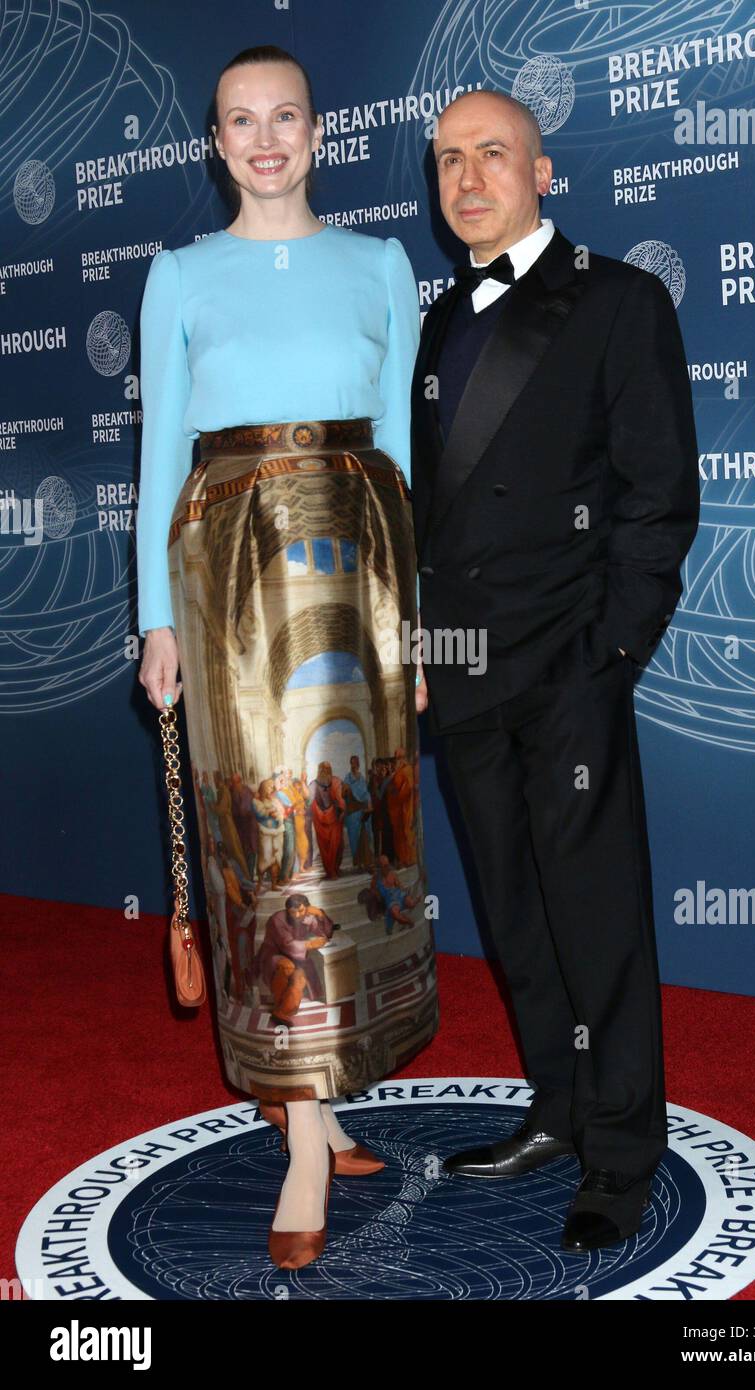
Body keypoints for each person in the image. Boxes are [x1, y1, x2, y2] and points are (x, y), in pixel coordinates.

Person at [136, 45, 438, 1270]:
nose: (265, 139)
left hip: (360, 564)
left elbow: (404, 456)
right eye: (240, 122)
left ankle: (332, 1077)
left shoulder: (377, 266)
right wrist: (153, 615)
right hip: (225, 579)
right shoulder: (177, 277)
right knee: (261, 837)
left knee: (354, 829)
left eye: (285, 117)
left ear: (319, 131)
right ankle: (302, 1131)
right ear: (216, 145)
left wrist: (412, 624)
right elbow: (162, 450)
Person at [410, 90, 700, 1252]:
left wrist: (603, 662)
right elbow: (429, 521)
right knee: (516, 917)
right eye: (446, 161)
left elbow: (656, 500)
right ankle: (558, 1105)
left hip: (567, 665)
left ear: (543, 172)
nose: (467, 178)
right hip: (462, 673)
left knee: (596, 920)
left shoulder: (617, 301)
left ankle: (623, 1157)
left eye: (491, 155)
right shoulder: (439, 320)